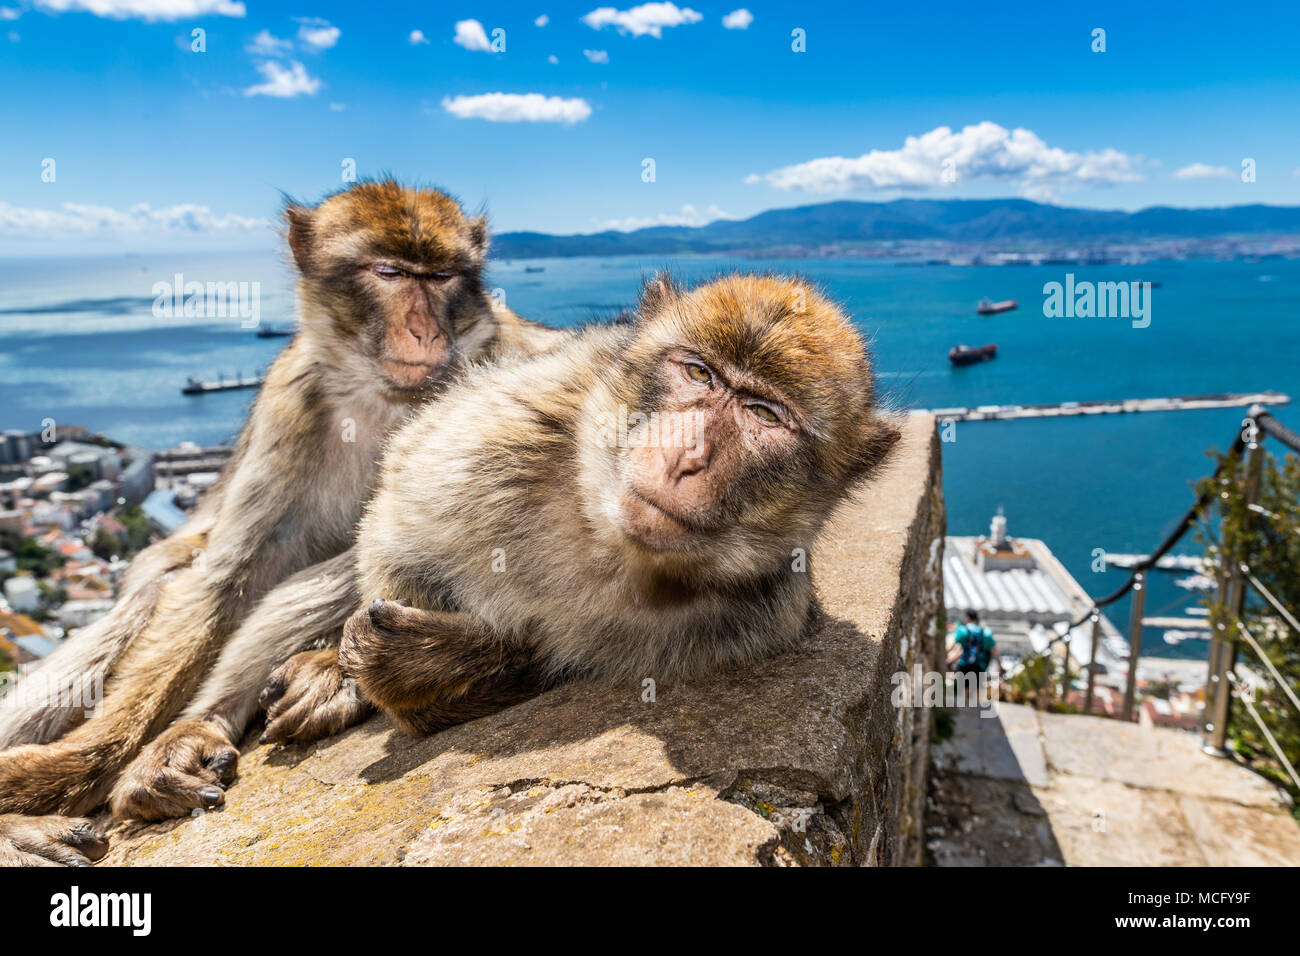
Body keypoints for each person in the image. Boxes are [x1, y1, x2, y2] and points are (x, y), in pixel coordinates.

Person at [947, 611, 1000, 676]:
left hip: (964, 665)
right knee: (977, 686)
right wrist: (1000, 666)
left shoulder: (963, 630)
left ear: (967, 618)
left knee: (961, 686)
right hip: (980, 667)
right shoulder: (985, 632)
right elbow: (995, 652)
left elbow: (955, 649)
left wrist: (948, 659)